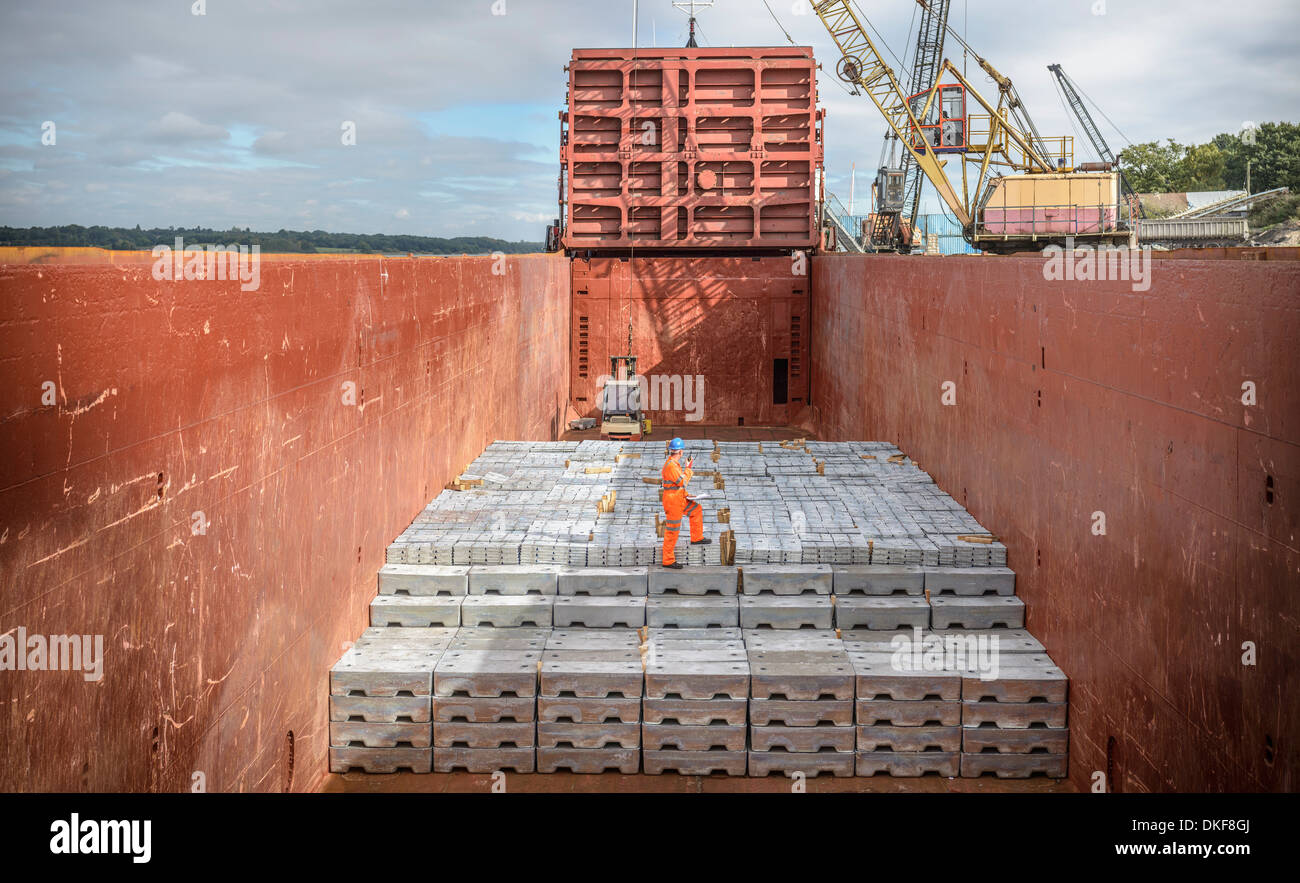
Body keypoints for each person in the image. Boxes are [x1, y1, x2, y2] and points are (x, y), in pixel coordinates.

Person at [661, 437, 709, 568]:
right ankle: (668, 560)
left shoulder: (674, 464)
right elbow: (682, 482)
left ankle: (697, 538)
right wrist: (688, 468)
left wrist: (687, 495)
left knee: (696, 509)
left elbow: (676, 485)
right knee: (672, 530)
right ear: (680, 452)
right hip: (673, 502)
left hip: (678, 498)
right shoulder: (671, 466)